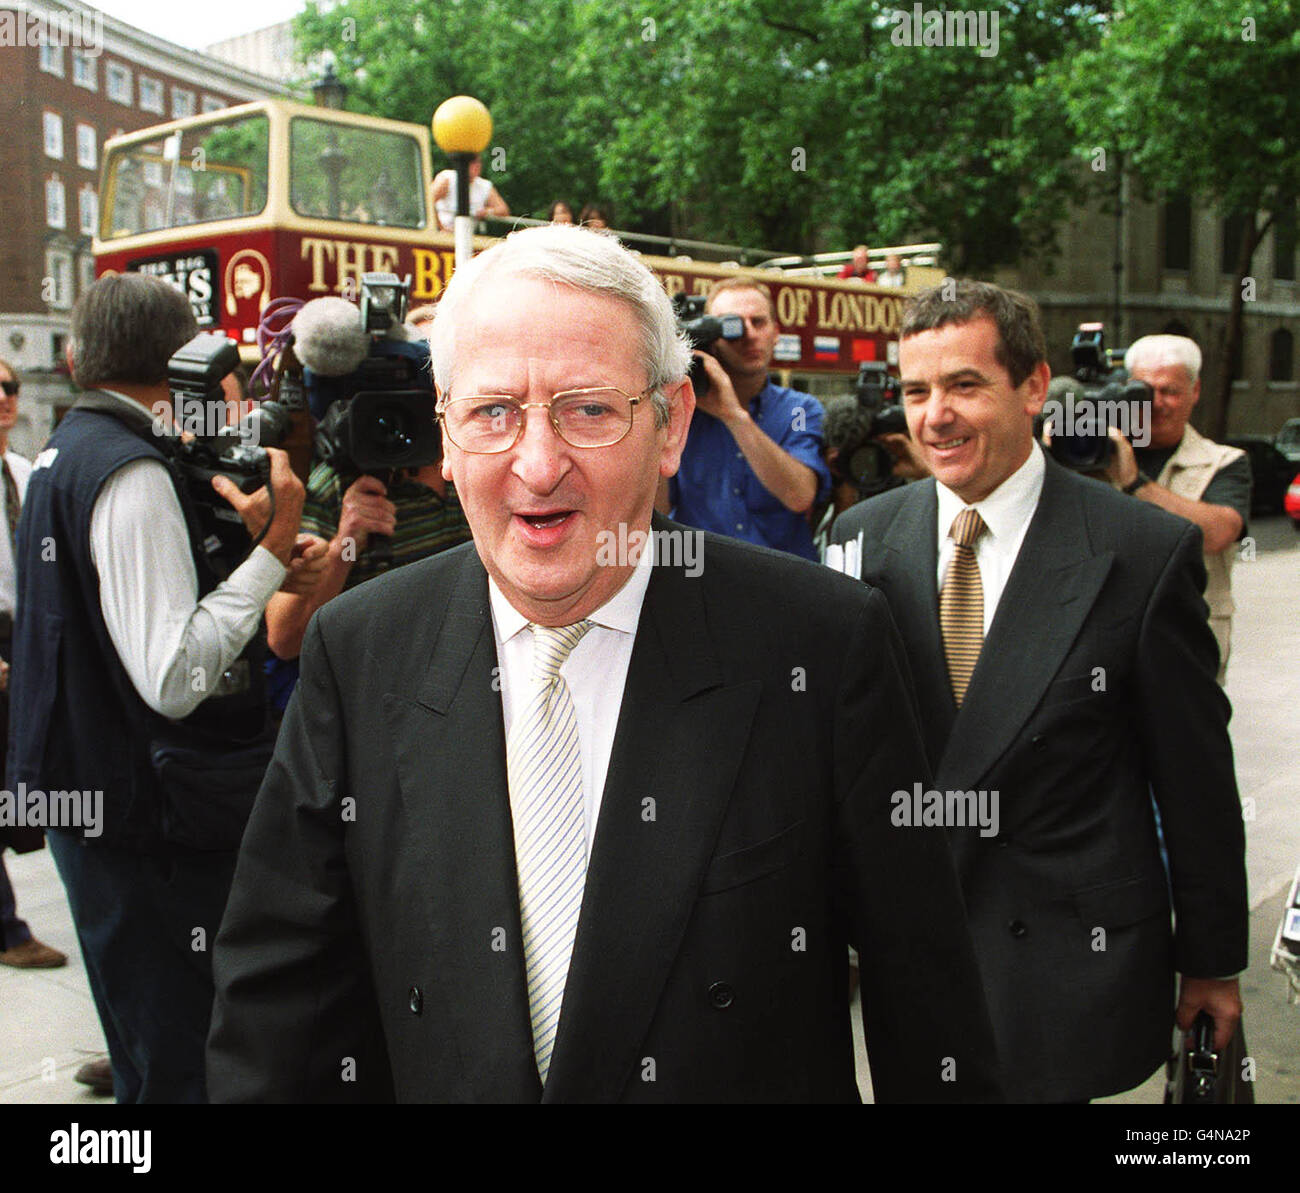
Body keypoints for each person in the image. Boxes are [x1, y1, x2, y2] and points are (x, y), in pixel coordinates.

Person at [207, 224, 1002, 1104]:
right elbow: (277, 1000)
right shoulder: (359, 649)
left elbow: (924, 995)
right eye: (493, 412)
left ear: (670, 426)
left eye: (589, 408)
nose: (538, 466)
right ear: (446, 427)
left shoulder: (820, 642)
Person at [831, 281, 1248, 1103]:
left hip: (1066, 965)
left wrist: (1211, 959)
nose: (934, 416)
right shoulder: (861, 536)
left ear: (1032, 386)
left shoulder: (1141, 548)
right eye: (916, 391)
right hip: (917, 960)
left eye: (963, 385)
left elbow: (1194, 779)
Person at [7, 274, 310, 1103]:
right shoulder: (130, 470)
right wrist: (274, 553)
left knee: (144, 1040)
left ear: (76, 355)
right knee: (177, 1059)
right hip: (142, 822)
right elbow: (174, 676)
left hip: (96, 806)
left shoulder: (65, 450)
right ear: (184, 357)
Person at [1113, 334, 1250, 683]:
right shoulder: (1095, 453)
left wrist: (1134, 483)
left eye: (1170, 391)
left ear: (1196, 391)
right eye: (1144, 392)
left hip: (1186, 652)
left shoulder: (1224, 462)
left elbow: (1218, 532)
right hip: (1107, 649)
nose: (1157, 403)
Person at [664, 278, 831, 561]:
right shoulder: (682, 412)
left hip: (784, 581)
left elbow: (800, 495)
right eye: (732, 325)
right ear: (710, 333)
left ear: (776, 332)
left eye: (759, 322)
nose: (749, 334)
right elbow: (659, 508)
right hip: (702, 577)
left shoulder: (800, 410)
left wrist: (734, 417)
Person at [264, 460, 472, 661]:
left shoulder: (474, 463)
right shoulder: (337, 483)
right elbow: (284, 640)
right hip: (380, 678)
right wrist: (347, 545)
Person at [0, 356, 66, 971]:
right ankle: (7, 928)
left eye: (10, 387)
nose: (3, 397)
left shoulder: (24, 469)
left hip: (25, 641)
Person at [431, 154, 510, 232]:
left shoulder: (485, 185)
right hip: (440, 236)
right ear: (462, 163)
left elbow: (503, 210)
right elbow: (427, 202)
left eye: (479, 162)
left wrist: (487, 211)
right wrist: (441, 229)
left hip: (467, 238)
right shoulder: (447, 179)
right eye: (473, 162)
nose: (477, 166)